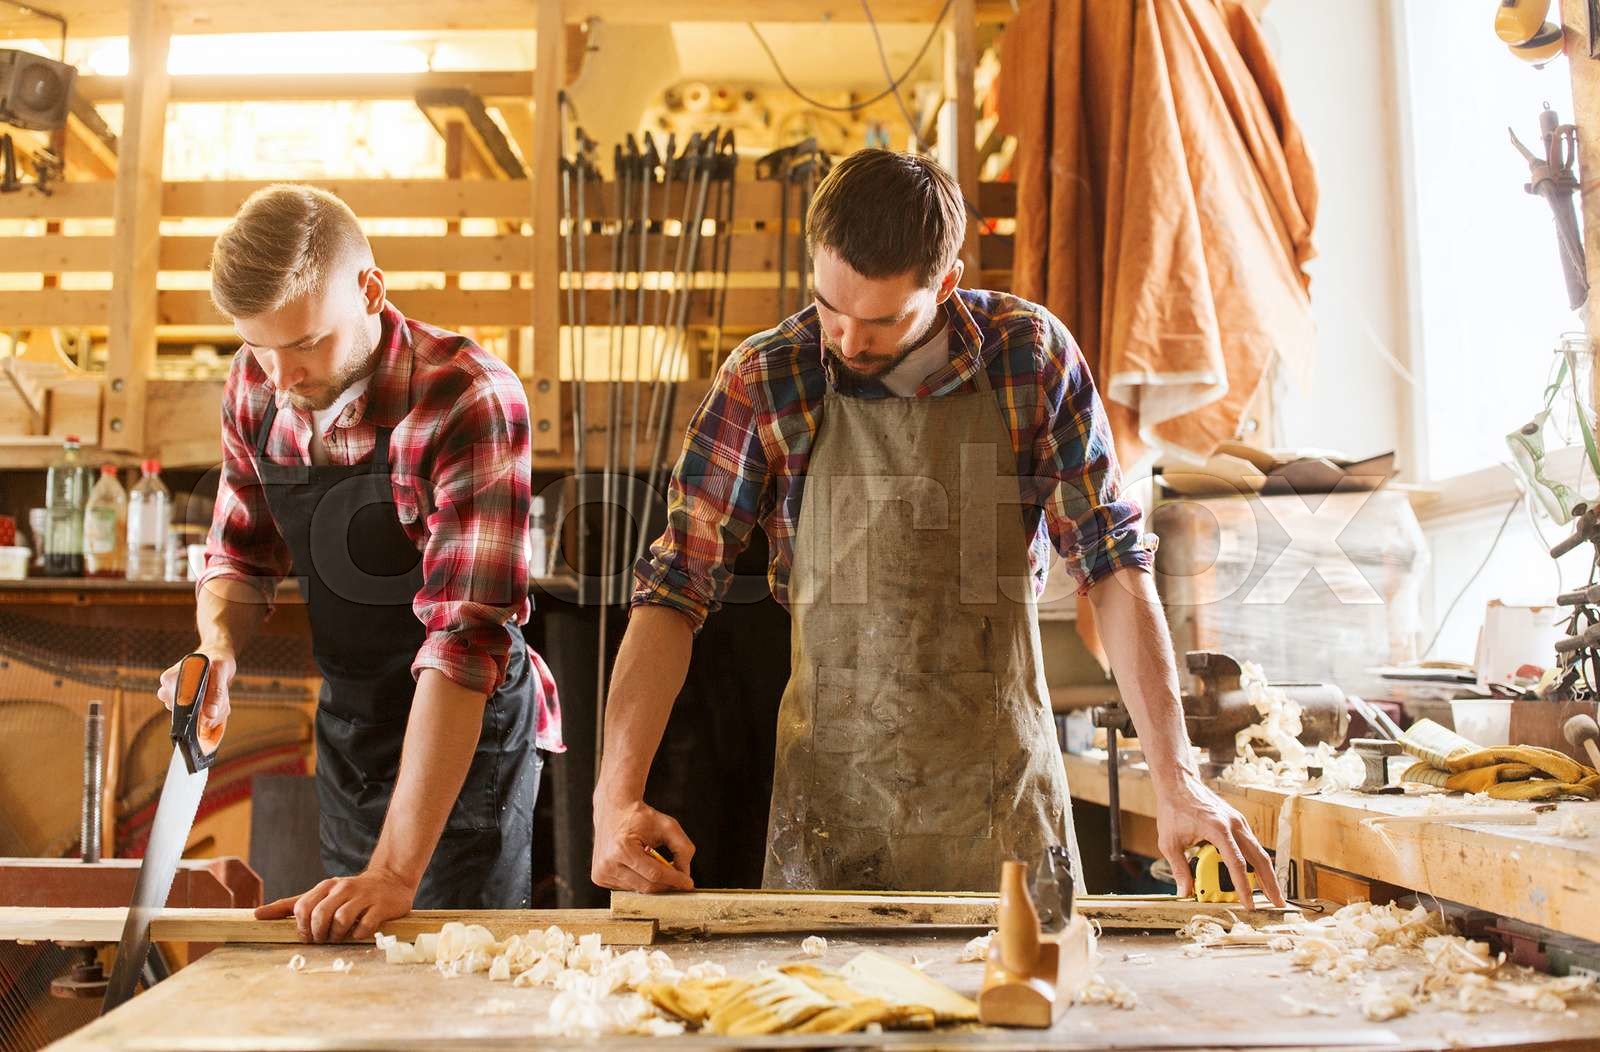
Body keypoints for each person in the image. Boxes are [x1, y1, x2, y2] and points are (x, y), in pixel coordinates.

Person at [589, 149, 1283, 902]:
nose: (848, 342)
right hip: (833, 811)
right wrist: (613, 797)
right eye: (829, 306)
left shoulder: (1029, 356)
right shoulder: (769, 375)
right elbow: (673, 591)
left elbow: (1113, 565)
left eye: (882, 319)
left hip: (1002, 801)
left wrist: (1179, 784)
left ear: (946, 284)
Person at [157, 185, 562, 942]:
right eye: (258, 346)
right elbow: (240, 554)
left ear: (371, 292)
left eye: (307, 343)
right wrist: (218, 650)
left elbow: (463, 641)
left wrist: (395, 871)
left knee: (452, 974)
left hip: (462, 732)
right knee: (353, 963)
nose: (281, 378)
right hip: (352, 725)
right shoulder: (259, 380)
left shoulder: (468, 398)